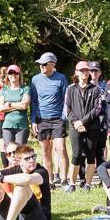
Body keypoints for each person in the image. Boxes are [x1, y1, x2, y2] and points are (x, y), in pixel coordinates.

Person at [31, 52, 71, 189]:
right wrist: (33, 120)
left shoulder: (60, 78)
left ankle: (65, 180)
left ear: (52, 65)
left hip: (57, 119)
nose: (41, 66)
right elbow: (34, 101)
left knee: (61, 148)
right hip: (41, 119)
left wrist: (64, 117)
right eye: (40, 64)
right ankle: (50, 181)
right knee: (45, 151)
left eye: (44, 64)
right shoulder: (35, 79)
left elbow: (66, 99)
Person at [65, 61, 104, 189]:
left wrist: (83, 122)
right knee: (76, 154)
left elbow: (97, 109)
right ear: (76, 72)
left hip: (92, 127)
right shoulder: (71, 89)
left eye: (87, 70)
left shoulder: (96, 89)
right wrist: (76, 122)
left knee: (91, 155)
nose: (85, 73)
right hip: (75, 126)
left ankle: (87, 183)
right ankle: (72, 183)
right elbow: (68, 109)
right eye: (82, 71)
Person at [0, 64, 33, 151]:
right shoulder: (4, 90)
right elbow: (0, 108)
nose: (13, 75)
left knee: (21, 152)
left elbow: (24, 105)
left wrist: (9, 104)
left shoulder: (25, 89)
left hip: (22, 125)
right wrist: (18, 105)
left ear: (19, 75)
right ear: (7, 75)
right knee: (10, 152)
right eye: (10, 73)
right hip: (7, 125)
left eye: (15, 73)